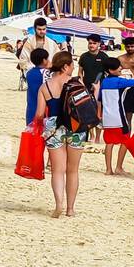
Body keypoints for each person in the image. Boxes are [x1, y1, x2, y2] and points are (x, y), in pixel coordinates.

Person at [33, 50, 91, 218]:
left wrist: (37, 124)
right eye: (72, 65)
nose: (73, 68)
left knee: (57, 170)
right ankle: (70, 209)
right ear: (66, 66)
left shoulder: (45, 86)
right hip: (75, 126)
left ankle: (58, 205)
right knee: (73, 170)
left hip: (53, 127)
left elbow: (39, 113)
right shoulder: (76, 83)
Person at [98, 58, 134, 175]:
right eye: (118, 67)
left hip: (107, 118)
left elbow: (99, 100)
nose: (120, 68)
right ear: (111, 70)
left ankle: (108, 169)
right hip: (118, 117)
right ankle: (118, 167)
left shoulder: (104, 82)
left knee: (109, 143)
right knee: (125, 140)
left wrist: (99, 115)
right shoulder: (118, 81)